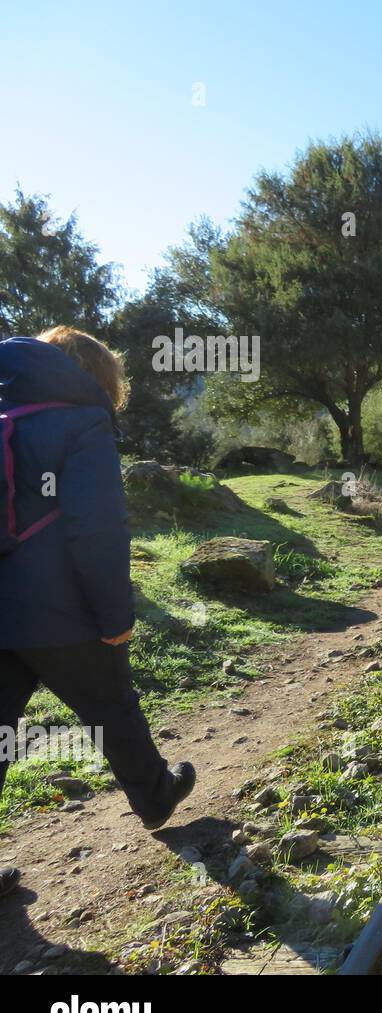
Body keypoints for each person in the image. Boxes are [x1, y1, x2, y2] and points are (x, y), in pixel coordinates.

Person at [0, 327, 194, 899]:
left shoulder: (5, 412)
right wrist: (115, 616)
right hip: (63, 613)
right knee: (111, 707)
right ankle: (156, 796)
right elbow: (97, 529)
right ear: (98, 375)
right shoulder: (83, 422)